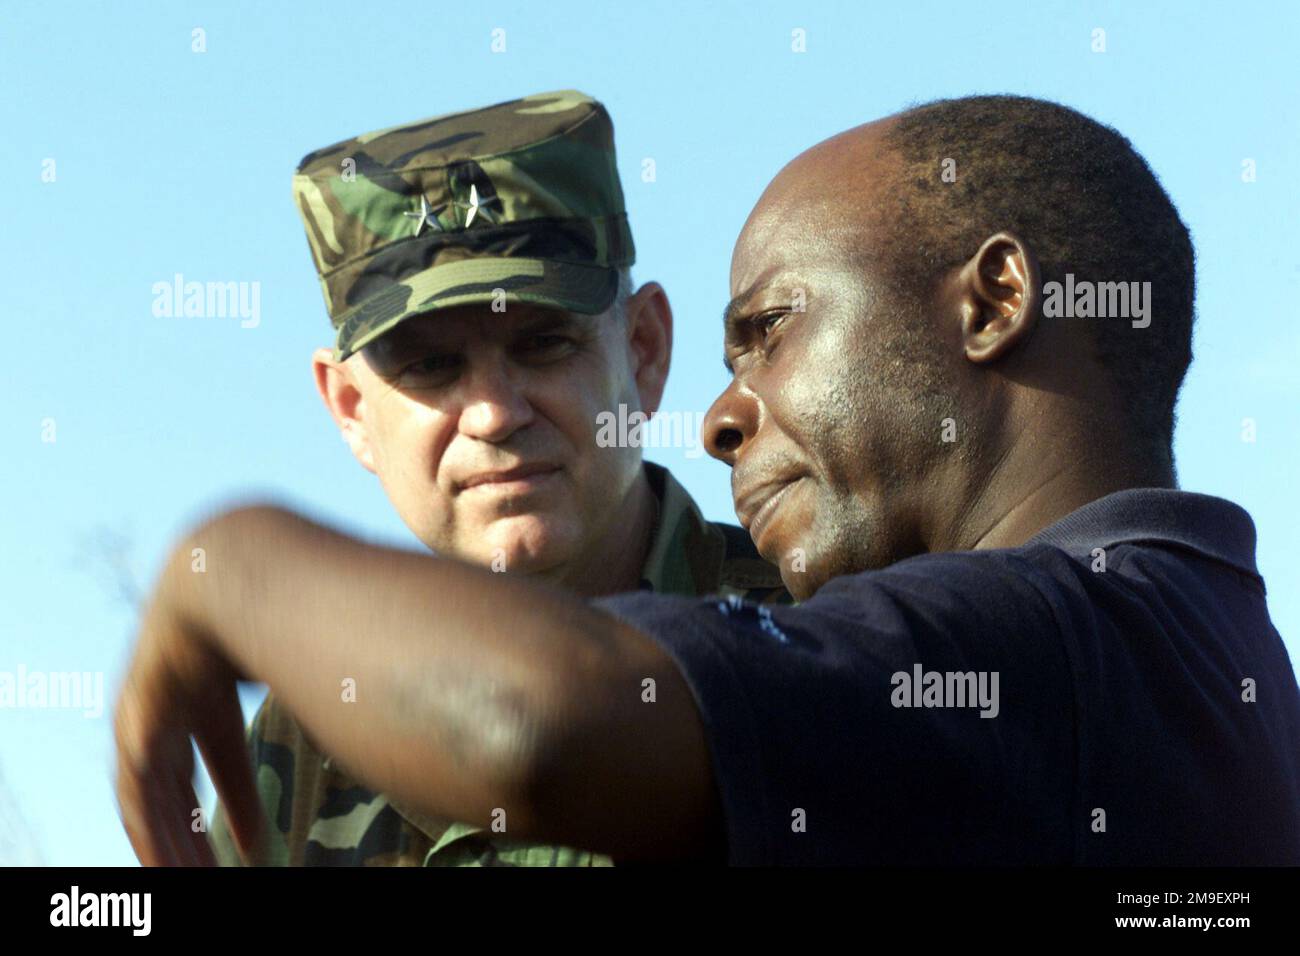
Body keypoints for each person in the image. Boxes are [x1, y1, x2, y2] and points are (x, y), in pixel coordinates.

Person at [115, 95, 1300, 866]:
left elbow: (536, 721)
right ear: (346, 406)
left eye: (771, 330)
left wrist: (230, 561)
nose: (727, 417)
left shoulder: (989, 641)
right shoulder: (1180, 631)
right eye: (428, 364)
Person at [202, 89, 786, 867]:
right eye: (431, 366)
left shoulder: (817, 637)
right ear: (350, 410)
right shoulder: (316, 726)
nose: (493, 414)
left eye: (543, 344)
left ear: (642, 352)